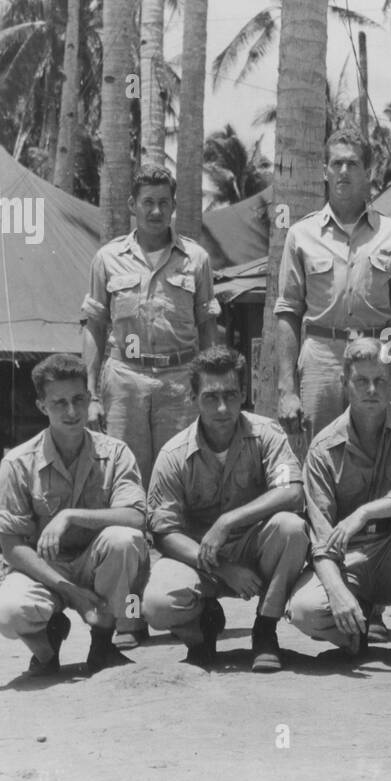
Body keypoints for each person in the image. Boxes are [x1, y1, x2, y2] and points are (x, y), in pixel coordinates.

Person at [274, 129, 391, 644]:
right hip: (321, 352)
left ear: (369, 172)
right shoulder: (301, 235)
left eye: (352, 164)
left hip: (377, 357)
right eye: (333, 164)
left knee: (380, 470)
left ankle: (373, 598)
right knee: (318, 466)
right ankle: (321, 582)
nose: (342, 172)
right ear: (324, 172)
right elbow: (288, 313)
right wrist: (287, 387)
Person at [81, 165, 221, 651]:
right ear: (132, 207)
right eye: (148, 202)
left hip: (181, 381)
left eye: (165, 202)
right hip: (124, 380)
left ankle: (187, 598)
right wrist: (93, 394)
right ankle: (129, 612)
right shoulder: (108, 259)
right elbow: (93, 327)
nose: (157, 211)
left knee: (178, 490)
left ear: (174, 204)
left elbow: (209, 332)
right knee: (125, 494)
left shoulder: (196, 259)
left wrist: (210, 390)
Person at [286, 338, 391, 679]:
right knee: (305, 611)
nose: (372, 389)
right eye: (362, 381)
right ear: (344, 384)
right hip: (352, 562)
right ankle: (354, 629)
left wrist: (365, 512)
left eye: (380, 380)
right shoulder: (323, 448)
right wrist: (337, 592)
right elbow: (320, 538)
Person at [142, 348, 309, 672]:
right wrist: (222, 569)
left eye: (231, 396)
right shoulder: (173, 454)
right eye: (210, 397)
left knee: (291, 528)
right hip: (200, 557)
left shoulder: (268, 434)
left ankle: (265, 628)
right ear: (193, 397)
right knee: (156, 604)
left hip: (255, 550)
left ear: (244, 395)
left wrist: (228, 520)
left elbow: (292, 491)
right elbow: (164, 533)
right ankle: (201, 629)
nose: (222, 408)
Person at [0, 354, 149, 677]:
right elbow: (11, 546)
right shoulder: (18, 463)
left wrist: (71, 516)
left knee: (125, 540)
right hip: (45, 569)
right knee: (8, 614)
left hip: (95, 563)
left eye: (78, 400)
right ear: (42, 406)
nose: (72, 412)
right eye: (59, 403)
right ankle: (46, 647)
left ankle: (103, 642)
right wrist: (71, 592)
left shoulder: (115, 453)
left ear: (89, 399)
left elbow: (136, 517)